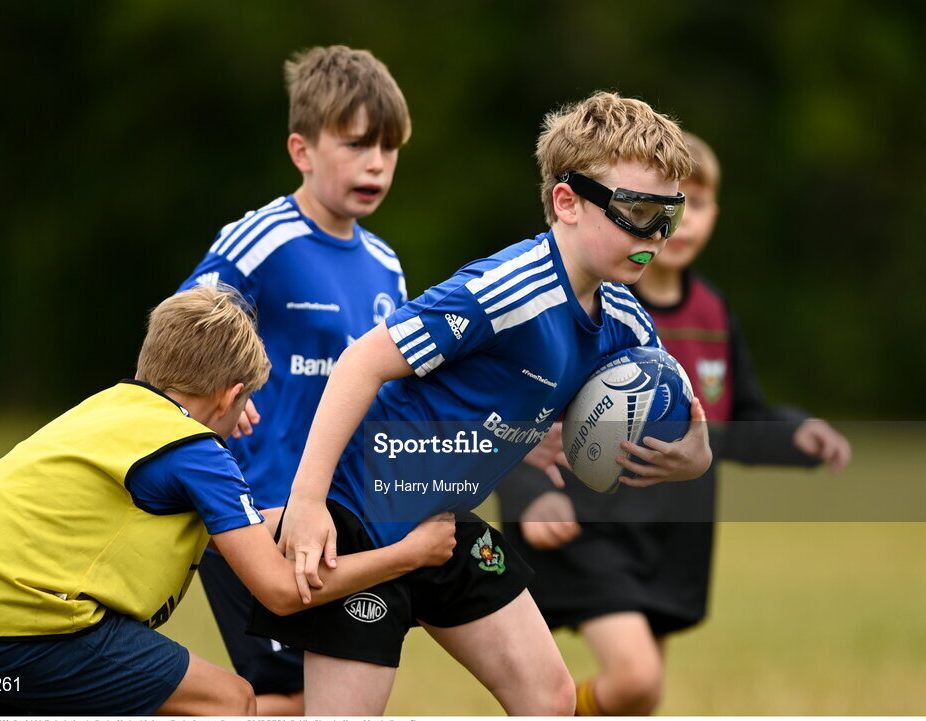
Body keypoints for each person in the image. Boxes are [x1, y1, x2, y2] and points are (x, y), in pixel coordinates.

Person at [251, 92, 714, 715]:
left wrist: (692, 456)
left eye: (669, 215)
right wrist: (307, 505)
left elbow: (672, 417)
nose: (655, 235)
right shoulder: (509, 288)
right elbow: (362, 362)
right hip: (359, 520)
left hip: (443, 529)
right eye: (636, 210)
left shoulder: (626, 322)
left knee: (550, 699)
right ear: (567, 201)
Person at [0, 286, 456, 716]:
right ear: (232, 394)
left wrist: (319, 513)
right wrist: (411, 552)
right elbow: (283, 591)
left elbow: (235, 525)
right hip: (19, 634)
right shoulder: (196, 452)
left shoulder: (112, 408)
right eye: (247, 400)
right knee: (229, 701)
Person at [496, 131, 852, 715]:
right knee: (636, 679)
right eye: (654, 205)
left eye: (693, 204)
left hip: (667, 532)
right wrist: (531, 494)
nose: (674, 222)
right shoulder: (590, 300)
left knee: (641, 697)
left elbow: (736, 416)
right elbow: (517, 411)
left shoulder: (711, 311)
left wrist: (794, 434)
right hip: (586, 521)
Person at [176, 45, 411, 714]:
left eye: (389, 148)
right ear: (301, 151)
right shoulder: (263, 241)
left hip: (337, 517)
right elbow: (180, 332)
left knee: (321, 695)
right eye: (358, 143)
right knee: (287, 696)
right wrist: (218, 393)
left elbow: (389, 388)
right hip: (250, 506)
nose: (376, 163)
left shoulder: (387, 266)